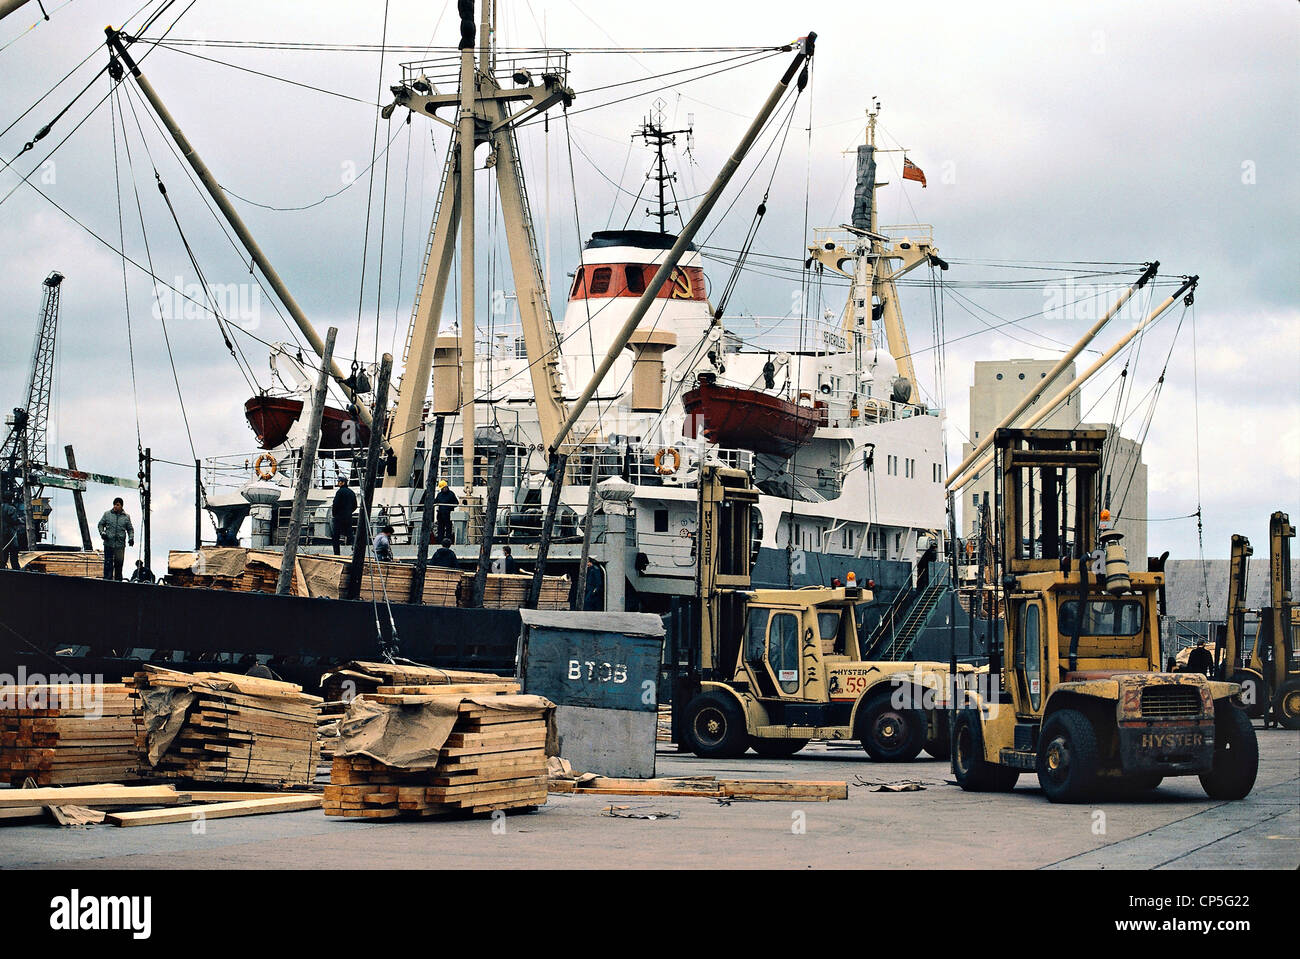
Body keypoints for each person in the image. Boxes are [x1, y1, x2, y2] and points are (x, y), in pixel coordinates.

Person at [97, 497, 134, 581]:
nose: (115, 506)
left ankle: (118, 583)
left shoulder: (126, 517)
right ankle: (107, 582)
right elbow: (100, 524)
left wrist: (131, 538)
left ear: (121, 506)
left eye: (117, 505)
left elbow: (130, 529)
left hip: (120, 546)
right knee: (108, 565)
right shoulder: (107, 514)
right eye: (114, 505)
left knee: (119, 565)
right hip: (108, 544)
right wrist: (102, 533)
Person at [331, 478, 357, 556]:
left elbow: (335, 504)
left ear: (343, 483)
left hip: (339, 516)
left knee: (336, 536)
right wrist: (349, 512)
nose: (338, 483)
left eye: (339, 482)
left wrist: (334, 514)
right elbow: (355, 505)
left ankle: (337, 553)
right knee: (350, 534)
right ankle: (355, 549)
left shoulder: (339, 492)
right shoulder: (351, 492)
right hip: (348, 516)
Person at [0, 498, 23, 570]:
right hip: (10, 534)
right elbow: (14, 520)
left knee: (4, 553)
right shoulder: (11, 508)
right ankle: (16, 570)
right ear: (11, 499)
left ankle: (2, 568)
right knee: (14, 552)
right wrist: (20, 521)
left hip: (2, 535)